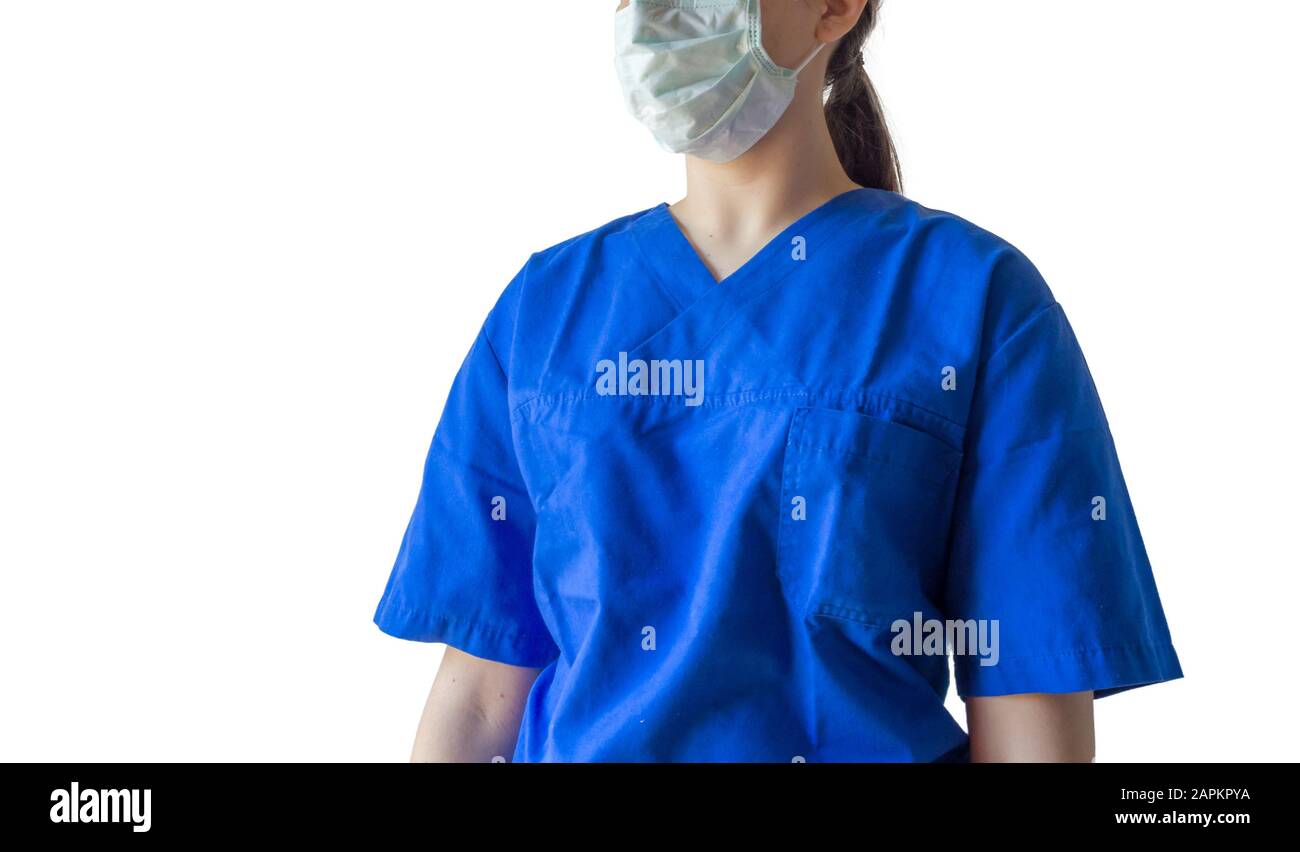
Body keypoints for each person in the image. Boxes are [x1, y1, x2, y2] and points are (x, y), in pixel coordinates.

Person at [371, 0, 1182, 762]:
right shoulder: (542, 313)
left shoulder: (976, 302)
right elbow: (478, 694)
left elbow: (1030, 703)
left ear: (836, 5)